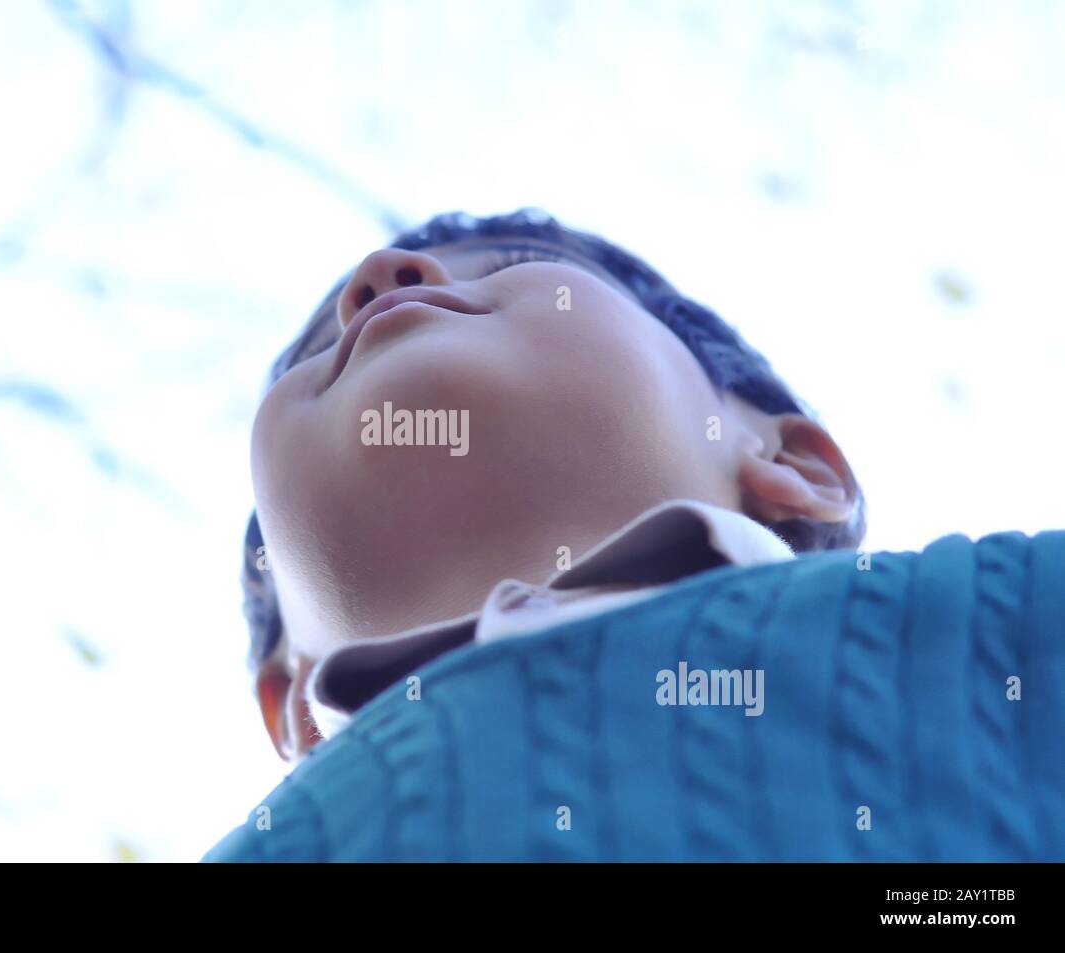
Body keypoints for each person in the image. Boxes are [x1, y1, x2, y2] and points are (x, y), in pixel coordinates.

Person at [204, 208, 1064, 862]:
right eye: (325, 344)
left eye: (513, 267)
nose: (381, 276)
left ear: (793, 465)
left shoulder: (1013, 613)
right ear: (289, 703)